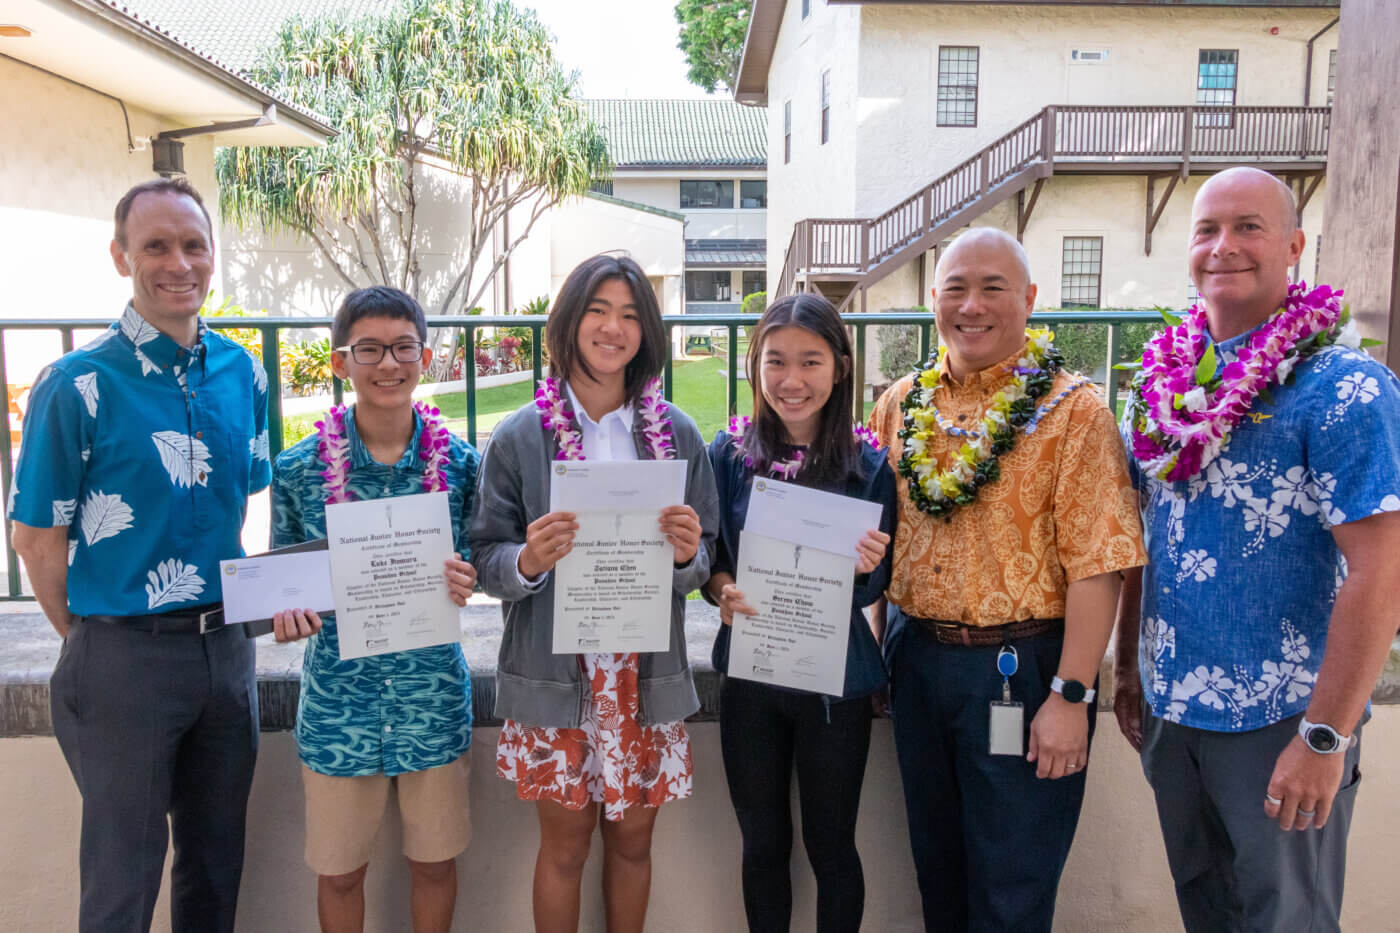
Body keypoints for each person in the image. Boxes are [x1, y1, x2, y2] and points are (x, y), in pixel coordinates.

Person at [1112, 166, 1400, 933]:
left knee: (1288, 921)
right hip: (1173, 712)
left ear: (1295, 246)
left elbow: (1381, 568)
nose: (1223, 247)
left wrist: (1325, 735)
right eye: (1207, 229)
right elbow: (1146, 533)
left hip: (1283, 717)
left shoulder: (1345, 387)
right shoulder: (1158, 385)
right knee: (1206, 912)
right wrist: (1128, 665)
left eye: (1248, 227)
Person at [8, 177, 270, 933]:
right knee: (123, 880)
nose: (177, 262)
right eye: (156, 245)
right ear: (121, 256)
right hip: (123, 656)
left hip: (227, 651)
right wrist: (94, 639)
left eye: (193, 244)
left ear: (213, 255)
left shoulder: (242, 373)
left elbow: (240, 502)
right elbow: (36, 539)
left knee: (215, 869)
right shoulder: (74, 384)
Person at [867, 227, 1146, 933]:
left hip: (1022, 673)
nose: (973, 304)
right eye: (956, 287)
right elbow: (877, 535)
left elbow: (1100, 562)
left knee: (1011, 888)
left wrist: (1071, 695)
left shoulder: (1074, 412)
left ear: (1029, 298)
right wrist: (876, 646)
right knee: (938, 873)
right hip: (917, 662)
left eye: (993, 287)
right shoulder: (902, 403)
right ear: (934, 299)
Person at [470, 253, 719, 933]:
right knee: (564, 846)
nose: (614, 328)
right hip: (558, 674)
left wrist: (689, 551)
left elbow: (705, 562)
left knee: (635, 844)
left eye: (632, 315)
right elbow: (485, 556)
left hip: (642, 673)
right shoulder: (521, 436)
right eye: (599, 311)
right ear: (570, 321)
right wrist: (527, 558)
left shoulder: (679, 435)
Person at [267, 286, 480, 933]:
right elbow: (284, 580)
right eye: (370, 349)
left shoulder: (461, 464)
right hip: (340, 704)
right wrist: (288, 611)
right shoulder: (300, 470)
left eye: (403, 347)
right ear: (341, 361)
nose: (388, 363)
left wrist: (469, 577)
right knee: (339, 873)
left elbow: (482, 559)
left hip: (430, 698)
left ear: (426, 356)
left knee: (436, 865)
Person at [703, 293, 895, 933]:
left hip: (834, 685)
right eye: (776, 361)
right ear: (755, 366)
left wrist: (867, 569)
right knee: (761, 845)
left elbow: (873, 594)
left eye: (810, 362)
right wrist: (722, 589)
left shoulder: (867, 466)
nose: (792, 381)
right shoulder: (727, 457)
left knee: (832, 845)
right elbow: (708, 559)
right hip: (751, 679)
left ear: (840, 367)